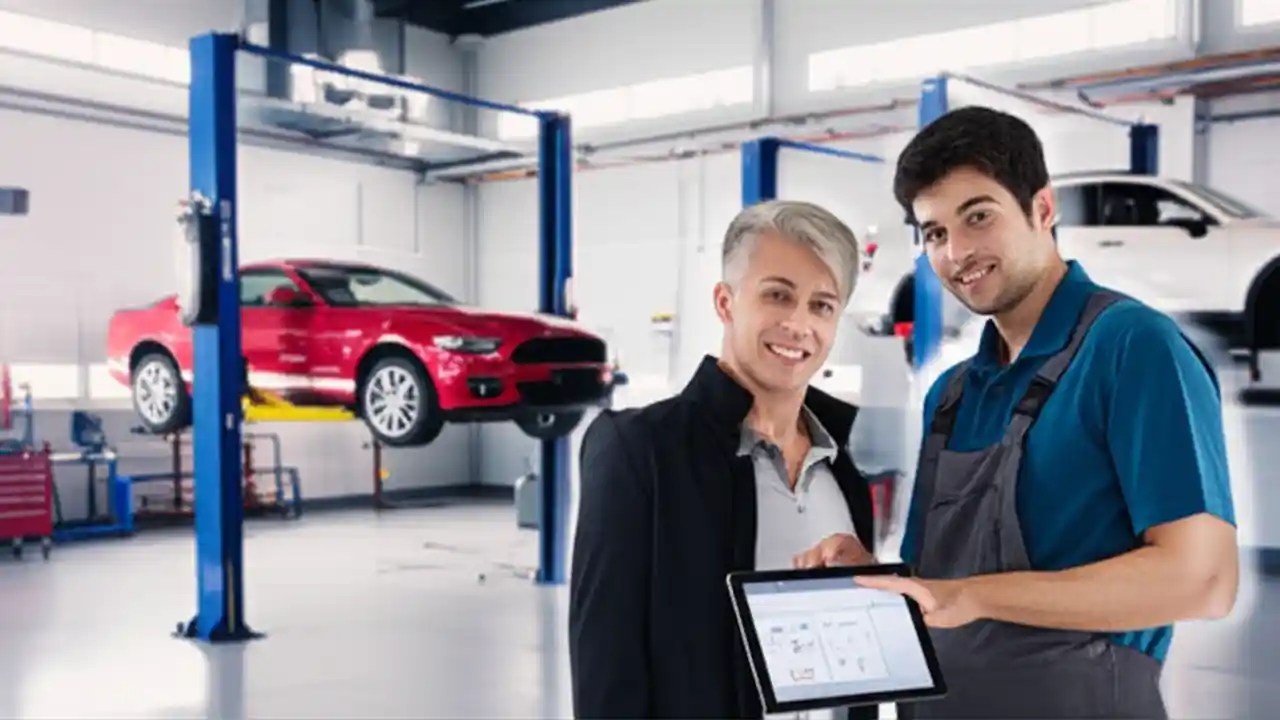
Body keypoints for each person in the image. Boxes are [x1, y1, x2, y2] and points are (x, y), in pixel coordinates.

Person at [796, 106, 1240, 719]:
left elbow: (1204, 581)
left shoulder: (1131, 348)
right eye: (934, 233)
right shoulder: (952, 394)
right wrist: (875, 577)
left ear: (1043, 208)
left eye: (978, 216)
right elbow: (939, 591)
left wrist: (975, 596)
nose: (957, 252)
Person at [569, 200, 878, 719]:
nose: (799, 324)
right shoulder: (640, 451)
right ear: (725, 302)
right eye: (778, 295)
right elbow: (606, 668)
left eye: (822, 305)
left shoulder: (842, 473)